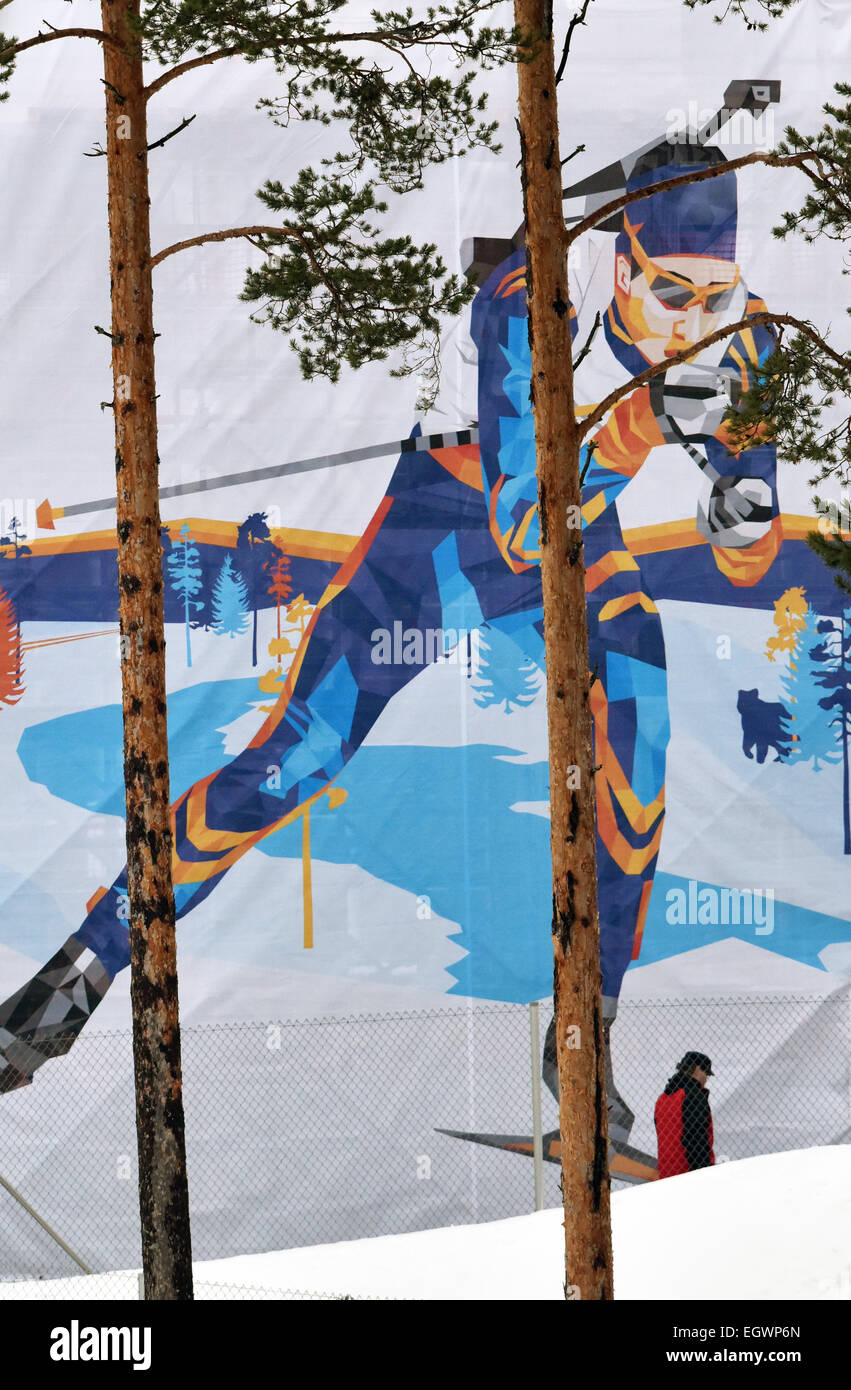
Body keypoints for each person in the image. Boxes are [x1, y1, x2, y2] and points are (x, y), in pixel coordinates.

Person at [654, 1051, 715, 1179]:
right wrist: (704, 1174)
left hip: (666, 1173)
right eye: (707, 1073)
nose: (706, 1080)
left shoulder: (663, 1099)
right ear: (698, 1069)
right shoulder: (693, 1096)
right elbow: (696, 1139)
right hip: (687, 1175)